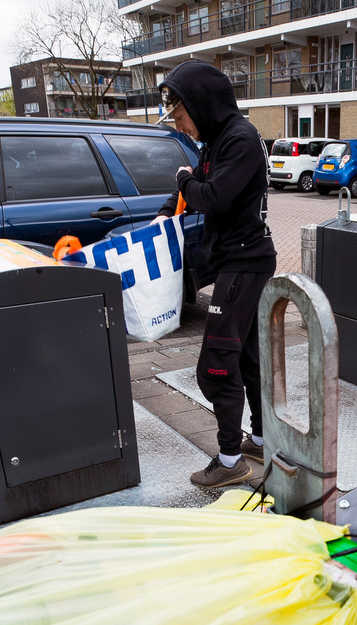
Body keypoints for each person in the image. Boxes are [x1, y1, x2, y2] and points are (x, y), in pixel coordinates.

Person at [152, 60, 276, 489]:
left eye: (183, 117)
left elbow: (214, 196)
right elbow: (194, 182)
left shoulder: (239, 139)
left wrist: (186, 184)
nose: (183, 127)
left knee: (216, 367)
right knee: (246, 357)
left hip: (244, 263)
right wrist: (167, 212)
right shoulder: (219, 141)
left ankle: (230, 460)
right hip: (239, 261)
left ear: (200, 105)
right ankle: (259, 440)